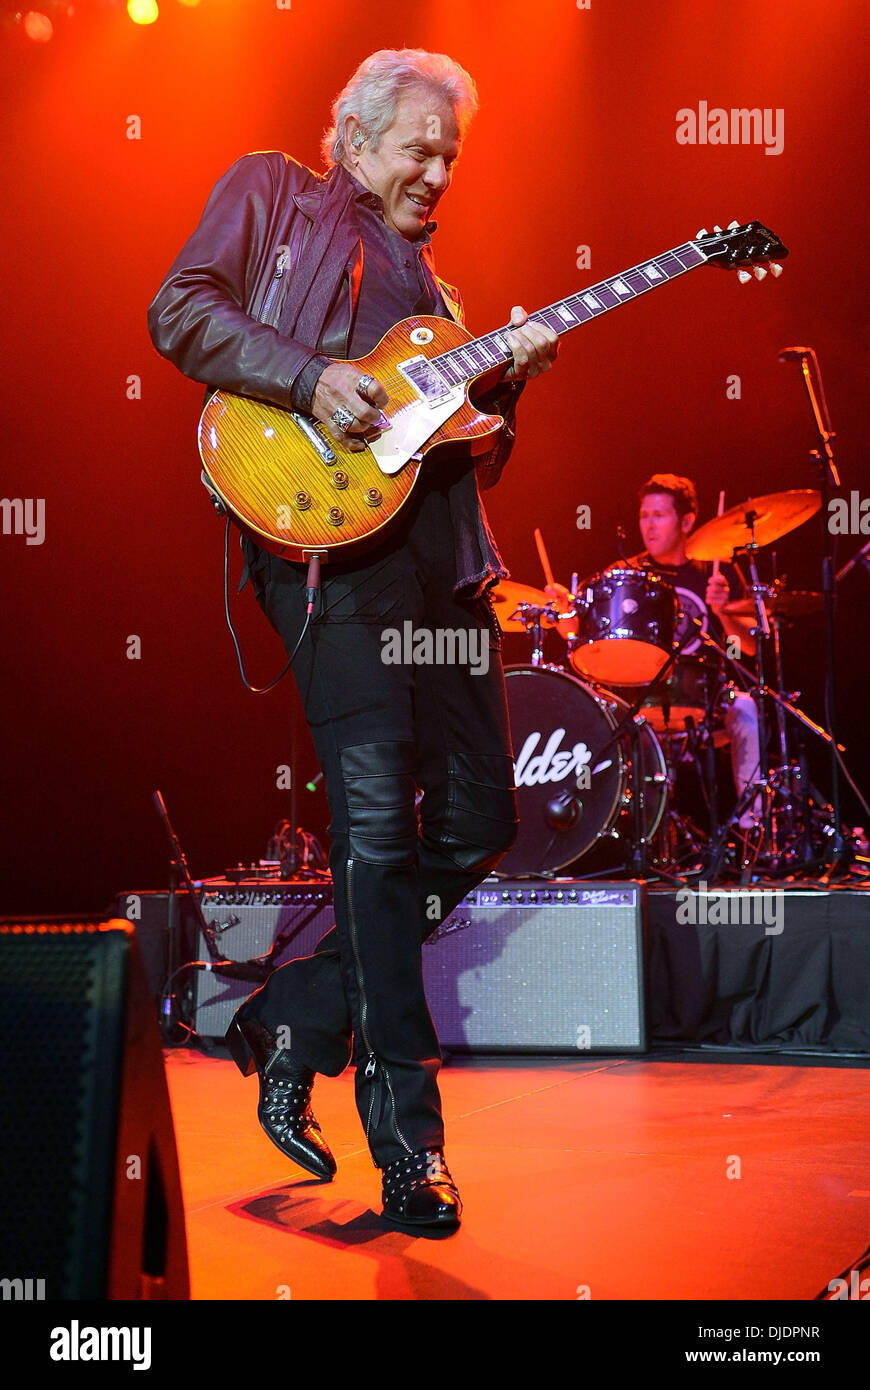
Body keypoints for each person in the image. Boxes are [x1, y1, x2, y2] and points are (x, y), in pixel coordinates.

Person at [147, 48, 559, 1232]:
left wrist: (511, 385)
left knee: (481, 819)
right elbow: (181, 306)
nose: (438, 172)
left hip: (446, 577)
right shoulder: (277, 195)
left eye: (451, 156)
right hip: (335, 575)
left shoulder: (440, 296)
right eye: (420, 148)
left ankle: (299, 1015)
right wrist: (308, 373)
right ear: (357, 137)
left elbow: (468, 455)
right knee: (376, 839)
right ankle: (410, 1146)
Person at [548, 474, 762, 829]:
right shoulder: (624, 573)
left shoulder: (717, 571)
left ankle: (752, 830)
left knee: (746, 707)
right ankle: (599, 830)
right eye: (644, 515)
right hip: (639, 698)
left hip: (705, 698)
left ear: (687, 521)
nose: (648, 524)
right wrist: (560, 612)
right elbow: (578, 634)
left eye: (659, 515)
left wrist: (723, 611)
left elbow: (749, 647)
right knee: (591, 712)